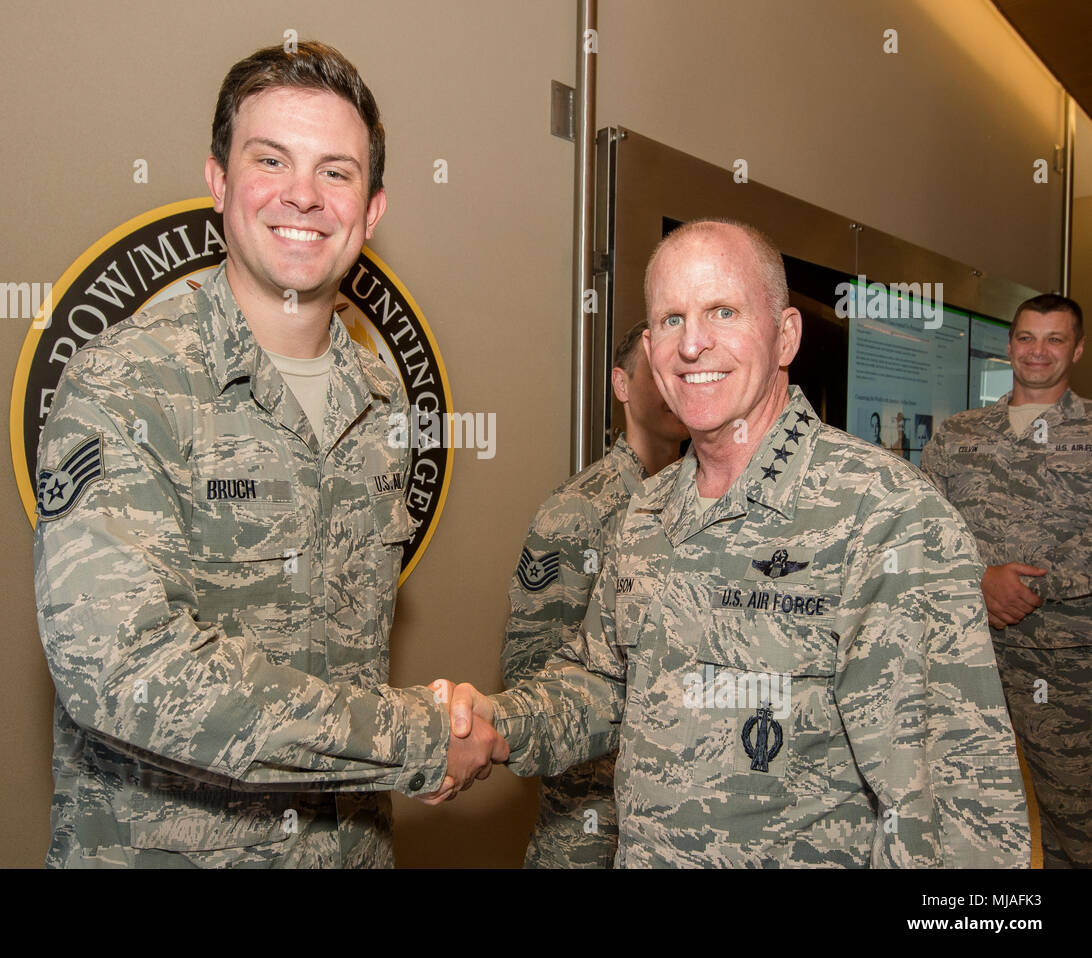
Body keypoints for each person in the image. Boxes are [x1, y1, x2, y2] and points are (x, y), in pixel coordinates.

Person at [32, 40, 505, 868]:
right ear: (218, 180)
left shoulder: (383, 398)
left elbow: (341, 652)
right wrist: (414, 736)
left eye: (336, 172)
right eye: (271, 159)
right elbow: (122, 669)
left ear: (374, 206)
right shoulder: (126, 383)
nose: (303, 196)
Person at [442, 219, 1030, 867]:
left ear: (784, 337)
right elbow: (605, 681)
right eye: (670, 319)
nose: (693, 344)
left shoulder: (883, 513)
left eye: (723, 310)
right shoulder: (647, 511)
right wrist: (497, 724)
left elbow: (957, 814)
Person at [502, 321, 688, 868]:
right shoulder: (579, 511)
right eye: (655, 369)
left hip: (675, 818)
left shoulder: (701, 509)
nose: (673, 380)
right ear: (621, 385)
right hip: (590, 823)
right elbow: (528, 669)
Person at [921, 293, 1091, 868]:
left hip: (1068, 667)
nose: (1037, 351)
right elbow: (924, 531)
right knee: (963, 813)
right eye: (1026, 338)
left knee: (1077, 822)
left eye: (1054, 339)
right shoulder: (958, 435)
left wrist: (1035, 585)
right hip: (965, 657)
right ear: (1009, 344)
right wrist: (978, 582)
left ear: (1078, 349)